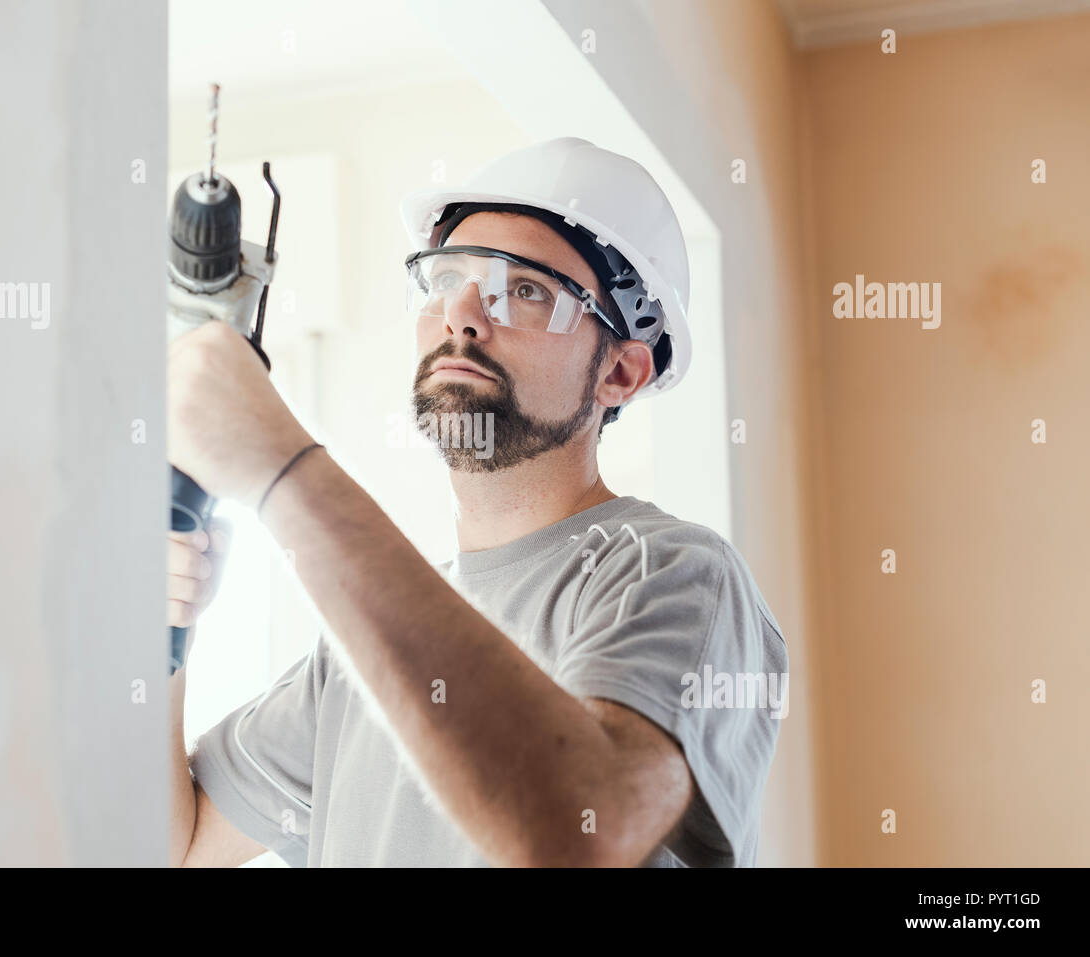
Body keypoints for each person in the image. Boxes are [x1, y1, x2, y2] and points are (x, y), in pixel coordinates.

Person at [166, 138, 788, 867]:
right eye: (445, 278)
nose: (461, 313)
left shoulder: (672, 574)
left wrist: (283, 466)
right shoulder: (357, 656)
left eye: (525, 289)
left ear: (620, 371)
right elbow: (173, 844)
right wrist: (161, 632)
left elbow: (579, 831)